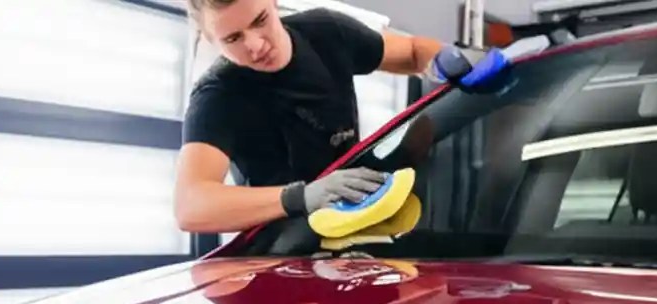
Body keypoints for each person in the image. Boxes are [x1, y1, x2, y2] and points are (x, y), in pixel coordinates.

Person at [174, 0, 508, 234]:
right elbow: (191, 205)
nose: (256, 45)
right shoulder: (218, 96)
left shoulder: (326, 32)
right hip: (282, 248)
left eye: (260, 20)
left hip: (360, 219)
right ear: (210, 39)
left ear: (273, 2)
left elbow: (410, 52)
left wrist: (445, 60)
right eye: (233, 38)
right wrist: (301, 197)